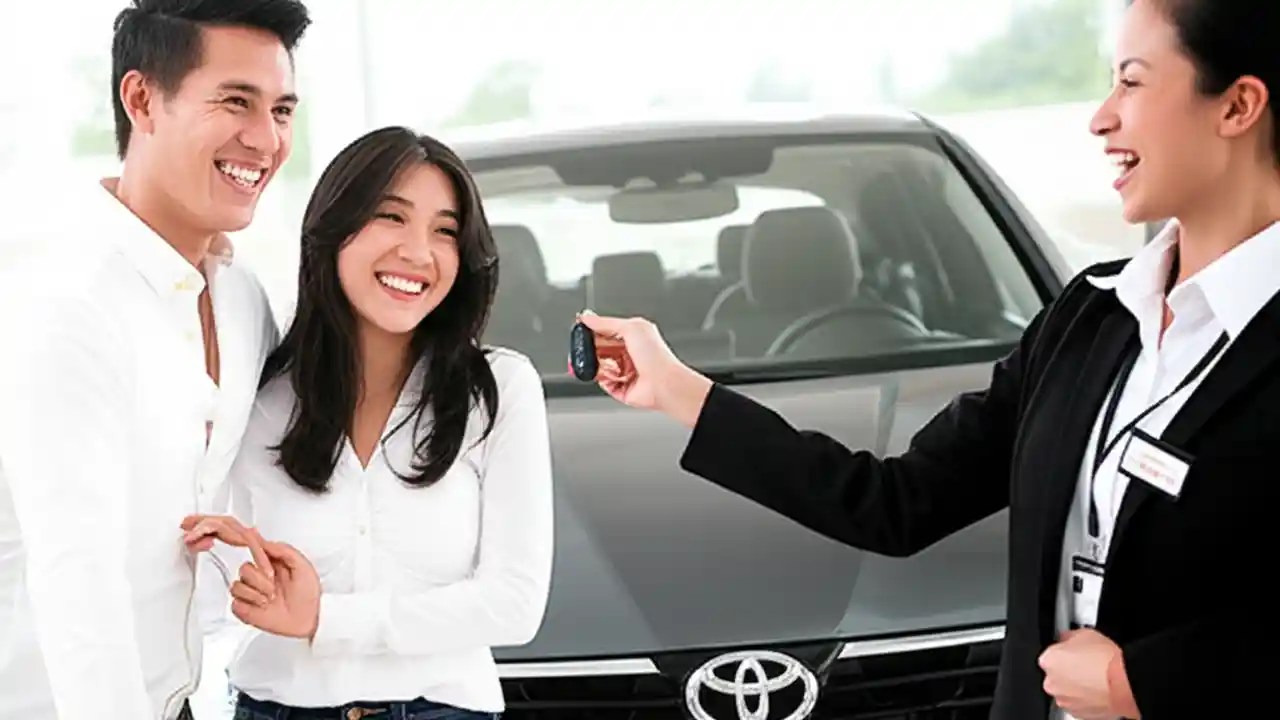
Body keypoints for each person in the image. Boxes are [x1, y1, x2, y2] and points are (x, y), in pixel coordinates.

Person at [575, 0, 1280, 718]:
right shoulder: (1088, 319)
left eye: (1131, 82)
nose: (1101, 118)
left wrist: (1138, 684)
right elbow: (894, 503)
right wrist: (678, 390)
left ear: (1237, 106)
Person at [0, 1, 311, 718]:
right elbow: (80, 586)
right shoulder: (68, 307)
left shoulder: (240, 299)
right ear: (141, 99)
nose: (265, 139)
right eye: (236, 101)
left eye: (283, 110)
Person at [184, 127, 554, 720]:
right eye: (391, 217)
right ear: (333, 228)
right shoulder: (263, 394)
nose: (418, 252)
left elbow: (515, 604)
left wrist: (326, 620)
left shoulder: (500, 390)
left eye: (444, 231)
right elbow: (211, 587)